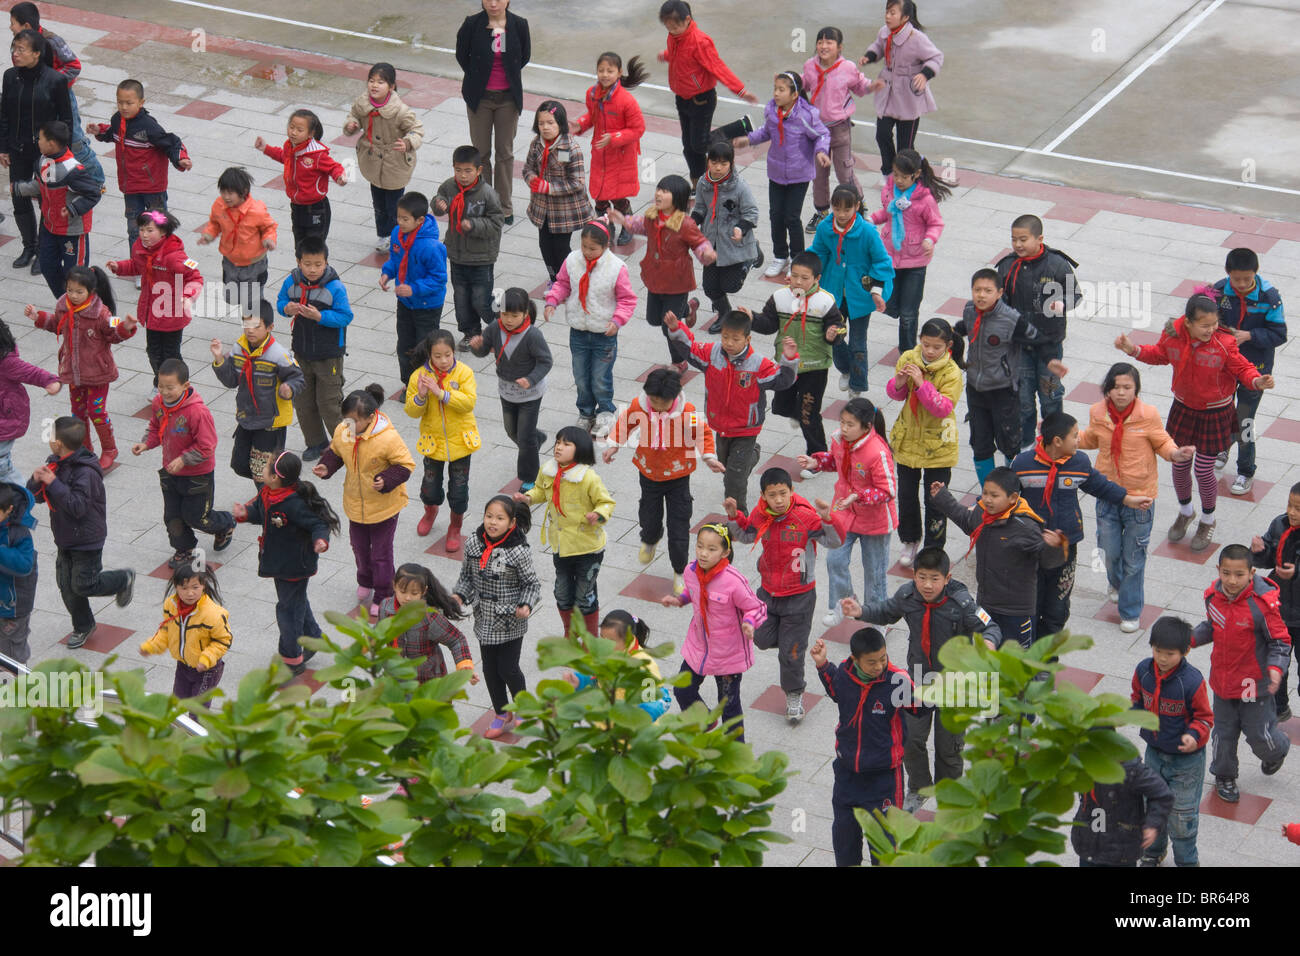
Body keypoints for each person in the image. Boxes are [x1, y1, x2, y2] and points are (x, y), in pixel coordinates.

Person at [842, 547, 1001, 810]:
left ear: (947, 578)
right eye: (922, 577)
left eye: (934, 579)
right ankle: (919, 787)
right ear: (914, 575)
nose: (927, 585)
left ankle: (950, 796)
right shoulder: (907, 595)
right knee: (909, 739)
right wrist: (861, 611)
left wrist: (988, 642)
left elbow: (990, 626)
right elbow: (886, 611)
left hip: (954, 683)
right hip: (917, 679)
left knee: (949, 746)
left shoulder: (963, 603)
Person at [1116, 289, 1274, 552]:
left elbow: (1242, 368)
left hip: (1216, 412)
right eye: (1204, 325)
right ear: (1188, 322)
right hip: (1184, 409)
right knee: (1178, 464)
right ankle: (1186, 511)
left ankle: (1207, 519)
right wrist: (1133, 350)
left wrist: (1257, 381)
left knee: (1203, 470)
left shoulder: (1224, 343)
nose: (1210, 330)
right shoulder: (1174, 336)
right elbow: (1160, 354)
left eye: (1213, 324)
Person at [1012, 412, 1152, 640]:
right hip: (1031, 546)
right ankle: (1029, 655)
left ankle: (1048, 660)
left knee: (1057, 608)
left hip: (1066, 546)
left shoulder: (1079, 463)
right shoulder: (1023, 464)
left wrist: (1128, 499)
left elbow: (1100, 486)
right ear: (1057, 441)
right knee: (1030, 604)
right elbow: (1008, 496)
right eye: (1075, 436)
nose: (1079, 440)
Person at [1079, 363, 1194, 632]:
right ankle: (1116, 582)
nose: (1121, 393)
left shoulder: (1148, 415)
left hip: (1140, 498)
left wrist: (1176, 454)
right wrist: (1070, 439)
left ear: (1136, 390)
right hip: (1107, 493)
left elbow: (1162, 442)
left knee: (1134, 558)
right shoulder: (1098, 412)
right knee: (1108, 551)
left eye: (1127, 388)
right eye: (1116, 387)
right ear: (1108, 389)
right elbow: (1092, 439)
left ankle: (1130, 611)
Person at [727, 468, 841, 722]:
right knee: (760, 638)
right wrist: (734, 517)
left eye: (783, 493)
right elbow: (746, 536)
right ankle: (792, 639)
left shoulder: (804, 517)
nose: (778, 500)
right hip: (767, 593)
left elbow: (834, 542)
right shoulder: (760, 513)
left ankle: (794, 693)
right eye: (772, 495)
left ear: (791, 491)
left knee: (790, 654)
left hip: (799, 596)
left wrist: (828, 519)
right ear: (763, 496)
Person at [665, 308, 798, 513]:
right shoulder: (712, 354)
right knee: (726, 467)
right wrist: (676, 328)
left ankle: (738, 514)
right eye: (725, 336)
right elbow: (690, 349)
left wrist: (788, 360)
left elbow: (782, 381)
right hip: (720, 424)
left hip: (746, 427)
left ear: (748, 338)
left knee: (734, 477)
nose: (728, 342)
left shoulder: (758, 364)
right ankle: (752, 456)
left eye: (735, 339)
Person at [604, 367, 718, 596]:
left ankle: (680, 571)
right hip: (648, 473)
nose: (656, 406)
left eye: (661, 403)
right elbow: (624, 423)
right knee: (649, 515)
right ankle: (649, 539)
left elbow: (703, 435)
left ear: (674, 398)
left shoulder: (687, 412)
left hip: (678, 476)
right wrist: (614, 444)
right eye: (653, 400)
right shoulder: (640, 406)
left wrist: (709, 457)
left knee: (679, 526)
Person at [1190, 544, 1291, 803]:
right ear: (1218, 571)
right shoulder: (1213, 597)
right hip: (1223, 683)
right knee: (1223, 734)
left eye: (1239, 574)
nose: (1232, 581)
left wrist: (1276, 669)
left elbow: (1280, 641)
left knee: (1259, 735)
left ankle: (1276, 750)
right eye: (1226, 573)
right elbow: (1212, 626)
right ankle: (1224, 775)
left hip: (1253, 685)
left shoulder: (1262, 606)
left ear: (1251, 572)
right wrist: (1188, 639)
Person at [811, 626, 917, 866]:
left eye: (883, 658)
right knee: (844, 846)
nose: (879, 666)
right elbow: (837, 690)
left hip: (884, 782)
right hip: (846, 776)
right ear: (855, 660)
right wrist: (822, 664)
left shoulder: (896, 681)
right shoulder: (845, 674)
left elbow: (921, 707)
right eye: (871, 662)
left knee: (885, 852)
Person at [929, 468, 1067, 648]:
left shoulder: (1025, 526)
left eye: (994, 495)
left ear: (1013, 497)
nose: (987, 499)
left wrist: (1053, 547)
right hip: (986, 604)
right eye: (985, 493)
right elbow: (965, 519)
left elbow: (1047, 561)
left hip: (1015, 612)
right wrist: (942, 497)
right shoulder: (984, 513)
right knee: (984, 655)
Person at [28, 416, 134, 647]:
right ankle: (83, 625)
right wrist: (36, 481)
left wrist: (54, 482)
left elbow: (77, 507)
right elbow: (37, 498)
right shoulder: (56, 462)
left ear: (58, 444)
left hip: (87, 539)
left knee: (84, 584)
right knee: (66, 586)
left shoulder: (86, 472)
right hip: (65, 537)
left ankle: (122, 579)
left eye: (51, 436)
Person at [311, 384, 415, 618]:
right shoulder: (344, 430)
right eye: (346, 420)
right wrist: (326, 466)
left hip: (385, 507)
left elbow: (406, 465)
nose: (349, 425)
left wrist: (386, 480)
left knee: (381, 552)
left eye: (354, 421)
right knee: (358, 547)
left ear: (370, 418)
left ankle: (382, 593)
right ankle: (365, 580)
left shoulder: (387, 437)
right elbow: (337, 452)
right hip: (355, 503)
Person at [232, 451, 337, 674]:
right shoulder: (268, 493)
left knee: (288, 610)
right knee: (295, 601)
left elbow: (318, 523)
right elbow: (261, 513)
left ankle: (292, 658)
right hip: (277, 561)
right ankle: (313, 636)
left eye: (267, 466)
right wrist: (245, 513)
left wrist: (320, 540)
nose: (263, 467)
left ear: (275, 477)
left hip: (296, 565)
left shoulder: (295, 504)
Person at [660, 523, 765, 741]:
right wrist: (680, 600)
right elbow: (692, 591)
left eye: (711, 549)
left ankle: (735, 754)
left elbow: (756, 607)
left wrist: (749, 623)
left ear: (725, 552)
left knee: (728, 706)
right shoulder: (691, 571)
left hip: (727, 653)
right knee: (682, 689)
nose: (703, 553)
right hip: (698, 646)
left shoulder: (733, 581)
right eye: (700, 547)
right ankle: (705, 719)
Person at [26, 265, 135, 471]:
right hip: (73, 373)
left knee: (96, 411)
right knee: (78, 412)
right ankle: (85, 449)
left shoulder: (101, 313)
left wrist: (125, 328)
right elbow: (55, 324)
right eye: (70, 290)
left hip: (98, 373)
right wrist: (38, 317)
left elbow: (113, 335)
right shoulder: (62, 306)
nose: (73, 295)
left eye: (79, 291)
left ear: (91, 292)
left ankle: (110, 449)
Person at [130, 359, 236, 569]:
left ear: (185, 385)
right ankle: (184, 550)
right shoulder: (159, 403)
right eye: (161, 387)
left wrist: (184, 459)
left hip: (198, 476)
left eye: (170, 387)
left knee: (197, 517)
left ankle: (225, 523)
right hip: (170, 472)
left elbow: (207, 446)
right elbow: (155, 427)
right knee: (172, 517)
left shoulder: (197, 412)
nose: (165, 392)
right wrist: (145, 443)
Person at [802, 398, 898, 619]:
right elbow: (836, 461)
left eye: (850, 424)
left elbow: (888, 491)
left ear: (867, 426)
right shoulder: (839, 440)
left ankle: (876, 617)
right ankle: (844, 603)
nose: (844, 428)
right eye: (842, 422)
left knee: (874, 574)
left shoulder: (878, 452)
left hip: (875, 522)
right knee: (834, 560)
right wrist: (818, 462)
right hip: (844, 512)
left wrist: (859, 495)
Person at [454, 495, 541, 739]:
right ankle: (502, 713)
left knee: (509, 668)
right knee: (491, 670)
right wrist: (459, 596)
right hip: (485, 619)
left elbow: (532, 584)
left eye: (500, 518)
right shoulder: (473, 543)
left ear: (512, 523)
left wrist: (526, 604)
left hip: (510, 619)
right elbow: (466, 578)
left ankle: (522, 706)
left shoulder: (518, 551)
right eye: (489, 516)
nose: (492, 522)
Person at [608, 173, 716, 369]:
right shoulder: (652, 216)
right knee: (653, 318)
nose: (659, 194)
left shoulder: (685, 224)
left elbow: (699, 242)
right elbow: (640, 225)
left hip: (676, 282)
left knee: (669, 327)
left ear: (678, 198)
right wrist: (623, 220)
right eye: (659, 189)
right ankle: (688, 308)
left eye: (665, 191)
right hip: (655, 277)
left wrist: (706, 253)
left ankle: (679, 362)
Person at [517, 426, 616, 639]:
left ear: (580, 450)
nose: (559, 447)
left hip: (588, 547)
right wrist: (529, 498)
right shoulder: (548, 469)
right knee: (562, 593)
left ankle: (590, 639)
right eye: (557, 442)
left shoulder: (588, 477)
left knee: (585, 595)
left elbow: (606, 502)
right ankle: (569, 633)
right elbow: (541, 490)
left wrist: (597, 515)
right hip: (561, 545)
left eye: (566, 444)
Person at [1130, 616, 1213, 867]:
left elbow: (1205, 718)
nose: (1162, 658)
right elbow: (1136, 699)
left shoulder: (1191, 681)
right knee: (1151, 804)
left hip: (1187, 760)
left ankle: (1187, 860)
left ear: (1186, 651)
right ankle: (1153, 853)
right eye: (1157, 651)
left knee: (1182, 815)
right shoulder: (1143, 671)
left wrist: (1193, 735)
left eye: (1170, 653)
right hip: (1154, 752)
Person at [954, 268, 1049, 486]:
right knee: (980, 443)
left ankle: (1010, 489)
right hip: (975, 389)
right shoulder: (970, 310)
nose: (981, 295)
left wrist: (1051, 359)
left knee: (1009, 443)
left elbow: (1036, 339)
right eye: (977, 290)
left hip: (1004, 390)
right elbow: (962, 328)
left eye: (988, 290)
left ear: (999, 293)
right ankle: (988, 491)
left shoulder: (1011, 319)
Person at [995, 214, 1081, 450]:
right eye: (1014, 239)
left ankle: (1055, 443)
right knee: (1022, 399)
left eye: (1023, 239)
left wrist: (1063, 302)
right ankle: (1025, 445)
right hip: (1019, 345)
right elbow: (998, 302)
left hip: (1049, 346)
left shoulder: (1057, 264)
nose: (1018, 245)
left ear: (1039, 238)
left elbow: (1076, 294)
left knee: (1050, 397)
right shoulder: (1007, 266)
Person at [544, 218, 636, 438]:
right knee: (580, 375)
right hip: (578, 330)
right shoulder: (573, 260)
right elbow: (563, 283)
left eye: (593, 249)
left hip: (604, 333)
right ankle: (585, 412)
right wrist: (552, 301)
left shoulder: (616, 268)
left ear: (605, 247)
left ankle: (605, 411)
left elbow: (627, 300)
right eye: (584, 246)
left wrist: (617, 321)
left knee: (600, 376)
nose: (587, 252)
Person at [753, 251, 844, 464]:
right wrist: (751, 318)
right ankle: (796, 412)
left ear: (817, 279)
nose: (798, 282)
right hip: (787, 364)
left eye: (805, 278)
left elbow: (839, 327)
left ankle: (818, 457)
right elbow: (768, 324)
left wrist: (833, 334)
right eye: (794, 276)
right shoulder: (780, 297)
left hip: (815, 366)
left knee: (808, 415)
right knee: (781, 407)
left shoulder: (825, 301)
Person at [737, 70, 830, 278]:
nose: (776, 94)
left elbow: (821, 134)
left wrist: (822, 152)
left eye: (782, 90)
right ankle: (780, 256)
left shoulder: (805, 115)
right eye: (775, 89)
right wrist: (749, 139)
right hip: (776, 172)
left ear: (795, 94)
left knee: (791, 216)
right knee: (775, 215)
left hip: (799, 174)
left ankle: (797, 258)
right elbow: (766, 132)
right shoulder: (772, 111)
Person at [657, 0, 758, 189]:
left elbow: (718, 68)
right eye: (668, 27)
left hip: (701, 100)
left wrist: (741, 90)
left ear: (687, 20)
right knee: (689, 148)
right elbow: (678, 54)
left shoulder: (700, 42)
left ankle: (741, 126)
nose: (672, 31)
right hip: (682, 98)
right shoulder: (673, 37)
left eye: (675, 27)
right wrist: (666, 55)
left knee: (699, 145)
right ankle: (700, 185)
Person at [886, 317, 962, 564]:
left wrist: (921, 384)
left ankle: (934, 546)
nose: (929, 351)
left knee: (936, 499)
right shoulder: (909, 357)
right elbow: (896, 395)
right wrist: (898, 383)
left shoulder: (951, 372)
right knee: (907, 495)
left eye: (936, 347)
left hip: (938, 444)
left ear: (948, 346)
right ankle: (910, 540)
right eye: (926, 344)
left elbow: (942, 408)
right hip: (909, 439)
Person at [1213, 247, 1287, 495]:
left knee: (1243, 418)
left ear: (1256, 272)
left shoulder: (1269, 297)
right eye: (1236, 279)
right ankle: (1223, 445)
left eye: (1248, 278)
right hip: (1223, 364)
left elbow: (1279, 333)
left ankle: (1245, 471)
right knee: (1222, 412)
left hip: (1256, 369)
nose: (1242, 284)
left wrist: (1249, 336)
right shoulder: (1217, 292)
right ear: (1227, 274)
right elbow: (1206, 324)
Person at [210, 300, 305, 493]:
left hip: (271, 421)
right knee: (239, 463)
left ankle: (268, 503)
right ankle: (280, 484)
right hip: (247, 417)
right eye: (246, 324)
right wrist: (220, 359)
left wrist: (289, 388)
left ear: (269, 327)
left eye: (256, 326)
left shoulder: (278, 354)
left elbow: (299, 378)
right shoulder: (239, 349)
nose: (250, 330)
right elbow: (231, 381)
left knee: (262, 471)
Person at [7, 3, 105, 187]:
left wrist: (50, 83)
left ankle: (96, 180)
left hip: (61, 98)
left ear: (26, 25)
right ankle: (46, 183)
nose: (10, 27)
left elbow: (74, 66)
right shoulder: (18, 44)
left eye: (13, 23)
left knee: (74, 141)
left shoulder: (51, 41)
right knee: (45, 141)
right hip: (37, 103)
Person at [810, 185, 893, 397]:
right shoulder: (825, 228)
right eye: (837, 209)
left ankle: (857, 386)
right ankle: (846, 368)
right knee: (831, 335)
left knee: (858, 343)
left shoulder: (867, 232)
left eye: (848, 209)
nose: (842, 214)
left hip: (860, 297)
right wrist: (804, 272)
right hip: (833, 292)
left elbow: (882, 261)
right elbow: (817, 253)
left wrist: (876, 291)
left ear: (857, 206)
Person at [89, 78, 191, 251]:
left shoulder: (148, 127)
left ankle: (162, 259)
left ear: (141, 103)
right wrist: (100, 131)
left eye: (129, 103)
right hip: (130, 187)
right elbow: (113, 134)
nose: (124, 107)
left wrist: (180, 158)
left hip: (153, 188)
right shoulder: (117, 120)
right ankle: (138, 265)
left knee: (157, 226)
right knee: (134, 228)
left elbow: (171, 142)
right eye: (120, 102)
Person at [275, 235, 353, 461]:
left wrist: (320, 316)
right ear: (299, 262)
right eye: (307, 264)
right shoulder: (291, 281)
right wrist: (286, 308)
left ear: (326, 262)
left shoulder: (335, 287)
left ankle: (348, 445)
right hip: (301, 351)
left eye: (318, 264)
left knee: (330, 402)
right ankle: (316, 443)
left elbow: (346, 316)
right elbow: (280, 302)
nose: (312, 269)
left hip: (328, 355)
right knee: (303, 400)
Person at [107, 209, 203, 390]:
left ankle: (179, 385)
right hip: (151, 313)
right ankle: (161, 382)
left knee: (171, 354)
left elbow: (195, 277)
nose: (144, 234)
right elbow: (137, 266)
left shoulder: (175, 256)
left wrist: (188, 297)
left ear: (163, 232)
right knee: (153, 352)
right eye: (142, 229)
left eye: (150, 230)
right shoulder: (140, 248)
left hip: (172, 314)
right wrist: (119, 267)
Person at [1, 28, 71, 271]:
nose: (15, 54)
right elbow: (5, 115)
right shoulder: (10, 77)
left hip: (47, 153)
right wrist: (3, 147)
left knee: (47, 202)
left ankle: (44, 250)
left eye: (21, 50)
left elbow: (66, 120)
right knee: (19, 198)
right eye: (14, 49)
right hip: (18, 148)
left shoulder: (56, 81)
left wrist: (63, 155)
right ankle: (28, 246)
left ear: (37, 53)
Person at [468, 287, 551, 491]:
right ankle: (536, 438)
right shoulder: (495, 328)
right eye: (505, 314)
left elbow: (545, 361)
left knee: (523, 436)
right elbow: (483, 351)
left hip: (530, 394)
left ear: (525, 314)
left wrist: (530, 379)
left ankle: (529, 476)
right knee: (511, 430)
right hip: (506, 391)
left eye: (514, 315)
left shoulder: (533, 335)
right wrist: (477, 346)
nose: (509, 320)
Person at [455, 0, 530, 222]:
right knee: (481, 152)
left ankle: (504, 206)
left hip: (508, 98)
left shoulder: (519, 25)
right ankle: (485, 202)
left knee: (505, 153)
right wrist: (479, 77)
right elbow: (462, 55)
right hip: (480, 98)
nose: (493, 3)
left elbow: (523, 57)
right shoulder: (472, 24)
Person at [405, 329, 480, 550]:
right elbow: (412, 411)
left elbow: (468, 403)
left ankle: (455, 527)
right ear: (429, 354)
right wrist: (420, 396)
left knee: (459, 489)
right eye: (437, 356)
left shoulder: (464, 373)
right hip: (433, 442)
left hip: (460, 442)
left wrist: (441, 393)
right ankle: (430, 512)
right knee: (430, 486)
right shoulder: (419, 375)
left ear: (454, 352)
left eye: (447, 354)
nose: (444, 360)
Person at [870, 149, 949, 353]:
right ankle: (898, 313)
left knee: (908, 314)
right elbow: (886, 214)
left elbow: (936, 224)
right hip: (890, 258)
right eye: (896, 174)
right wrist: (872, 219)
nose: (899, 180)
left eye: (904, 177)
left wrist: (929, 240)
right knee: (890, 305)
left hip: (915, 262)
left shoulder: (925, 199)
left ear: (916, 174)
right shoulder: (888, 191)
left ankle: (907, 352)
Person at [343, 61, 425, 252]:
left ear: (392, 86)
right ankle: (383, 235)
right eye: (371, 80)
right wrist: (351, 125)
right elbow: (353, 115)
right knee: (378, 203)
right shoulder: (363, 103)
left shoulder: (400, 110)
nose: (374, 85)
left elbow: (417, 130)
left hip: (394, 162)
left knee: (395, 205)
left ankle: (398, 235)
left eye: (380, 82)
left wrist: (407, 142)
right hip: (372, 159)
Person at [858, 0, 943, 176]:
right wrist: (870, 56)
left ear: (905, 17)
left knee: (905, 146)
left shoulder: (916, 37)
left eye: (893, 13)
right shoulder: (884, 32)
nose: (888, 16)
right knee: (882, 134)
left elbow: (936, 57)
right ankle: (888, 171)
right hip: (888, 91)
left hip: (908, 96)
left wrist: (924, 74)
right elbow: (878, 47)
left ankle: (914, 173)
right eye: (887, 12)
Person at [14, 120, 97, 297]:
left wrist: (73, 208)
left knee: (76, 276)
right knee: (46, 265)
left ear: (51, 143)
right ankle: (66, 304)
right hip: (49, 227)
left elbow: (93, 193)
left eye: (40, 138)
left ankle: (90, 311)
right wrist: (20, 189)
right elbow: (41, 184)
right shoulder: (43, 160)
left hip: (72, 232)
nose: (37, 141)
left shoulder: (72, 169)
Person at [432, 145, 504, 349]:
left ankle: (501, 324)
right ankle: (470, 331)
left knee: (481, 298)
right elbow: (438, 199)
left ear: (479, 170)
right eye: (458, 170)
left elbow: (497, 222)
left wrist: (473, 225)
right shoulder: (449, 187)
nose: (462, 176)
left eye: (468, 171)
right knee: (461, 298)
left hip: (482, 257)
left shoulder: (488, 194)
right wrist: (439, 204)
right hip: (457, 254)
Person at [573, 52, 647, 244]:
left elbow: (638, 128)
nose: (605, 74)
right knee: (599, 196)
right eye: (601, 70)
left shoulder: (626, 100)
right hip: (600, 153)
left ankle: (628, 226)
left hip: (621, 157)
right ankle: (607, 227)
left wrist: (614, 138)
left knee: (619, 197)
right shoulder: (592, 94)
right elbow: (592, 117)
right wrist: (580, 125)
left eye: (610, 71)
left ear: (619, 72)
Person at [802, 27, 871, 234]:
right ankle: (822, 212)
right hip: (816, 131)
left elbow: (860, 86)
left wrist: (875, 85)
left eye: (829, 42)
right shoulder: (810, 66)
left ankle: (858, 206)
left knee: (844, 171)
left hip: (839, 129)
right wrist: (792, 81)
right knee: (819, 174)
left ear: (839, 47)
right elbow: (804, 84)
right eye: (820, 41)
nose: (824, 46)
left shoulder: (847, 67)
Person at [689, 141, 761, 335]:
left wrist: (741, 228)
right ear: (708, 162)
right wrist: (691, 222)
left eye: (723, 163)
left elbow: (751, 212)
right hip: (711, 244)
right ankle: (724, 312)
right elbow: (701, 208)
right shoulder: (704, 183)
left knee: (731, 286)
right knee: (710, 288)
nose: (718, 168)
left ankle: (751, 258)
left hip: (734, 245)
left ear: (731, 163)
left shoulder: (739, 187)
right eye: (714, 162)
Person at [380, 192, 447, 386]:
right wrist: (387, 273)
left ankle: (427, 384)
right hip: (405, 303)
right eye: (398, 217)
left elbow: (439, 279)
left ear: (419, 220)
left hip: (427, 305)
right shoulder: (397, 234)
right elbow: (394, 259)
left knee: (424, 347)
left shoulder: (432, 247)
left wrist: (414, 289)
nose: (400, 222)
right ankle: (409, 383)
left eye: (405, 219)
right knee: (404, 345)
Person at [254, 109, 347, 248]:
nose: (293, 132)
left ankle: (321, 268)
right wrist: (265, 148)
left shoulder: (316, 154)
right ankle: (301, 267)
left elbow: (334, 166)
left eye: (299, 129)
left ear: (310, 134)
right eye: (291, 127)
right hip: (297, 206)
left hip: (316, 208)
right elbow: (283, 156)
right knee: (300, 245)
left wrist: (339, 176)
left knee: (315, 247)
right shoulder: (290, 147)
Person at [524, 100, 594, 286]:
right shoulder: (536, 144)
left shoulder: (571, 148)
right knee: (544, 246)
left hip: (564, 211)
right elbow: (527, 169)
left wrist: (549, 187)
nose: (545, 128)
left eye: (550, 123)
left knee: (561, 248)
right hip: (542, 209)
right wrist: (531, 179)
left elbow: (577, 182)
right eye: (541, 123)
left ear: (560, 124)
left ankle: (569, 280)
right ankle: (554, 278)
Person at [138, 566, 230, 703]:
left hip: (207, 670)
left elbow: (223, 641)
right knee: (177, 704)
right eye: (184, 588)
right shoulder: (171, 605)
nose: (190, 593)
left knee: (197, 710)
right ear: (176, 587)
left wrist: (206, 659)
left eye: (195, 587)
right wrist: (151, 646)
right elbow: (166, 631)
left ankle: (198, 724)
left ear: (203, 586)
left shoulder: (214, 614)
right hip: (183, 665)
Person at [198, 166, 278, 315]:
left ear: (244, 192)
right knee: (230, 297)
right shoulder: (219, 205)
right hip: (230, 260)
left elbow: (269, 227)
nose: (226, 197)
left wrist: (268, 239)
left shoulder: (257, 210)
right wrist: (208, 235)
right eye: (223, 192)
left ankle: (255, 326)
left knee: (252, 305)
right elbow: (214, 223)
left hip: (254, 263)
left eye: (230, 193)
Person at [565, 610, 672, 719]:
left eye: (611, 641)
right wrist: (580, 681)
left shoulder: (644, 666)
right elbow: (597, 678)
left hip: (633, 726)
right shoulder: (605, 654)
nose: (603, 644)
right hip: (609, 720)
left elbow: (651, 701)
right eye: (602, 637)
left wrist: (639, 717)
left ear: (628, 639)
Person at [380, 563, 477, 684]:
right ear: (394, 586)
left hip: (427, 680)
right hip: (395, 677)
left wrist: (464, 667)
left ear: (423, 591)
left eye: (414, 593)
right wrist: (358, 649)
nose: (408, 598)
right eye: (403, 591)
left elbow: (456, 639)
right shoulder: (386, 608)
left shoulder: (429, 617)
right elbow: (378, 633)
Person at [1251, 482, 1300, 721]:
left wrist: (1297, 572)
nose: (1292, 512)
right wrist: (1260, 552)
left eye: (1298, 508)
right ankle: (1279, 707)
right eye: (1290, 505)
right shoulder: (1279, 524)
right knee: (1277, 663)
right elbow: (1271, 556)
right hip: (1278, 610)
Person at [1071, 756, 1173, 867]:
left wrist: (1153, 824)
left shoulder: (1132, 771)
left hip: (1122, 851)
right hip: (1088, 845)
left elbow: (1162, 795)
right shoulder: (1085, 762)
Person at [0, 317, 60, 486]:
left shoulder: (6, 362)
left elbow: (31, 372)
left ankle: (22, 498)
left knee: (2, 465)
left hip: (5, 419)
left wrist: (50, 381)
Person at [0, 481, 38, 663]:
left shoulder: (19, 533)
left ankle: (15, 687)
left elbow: (24, 565)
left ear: (9, 509)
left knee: (12, 654)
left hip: (12, 607)